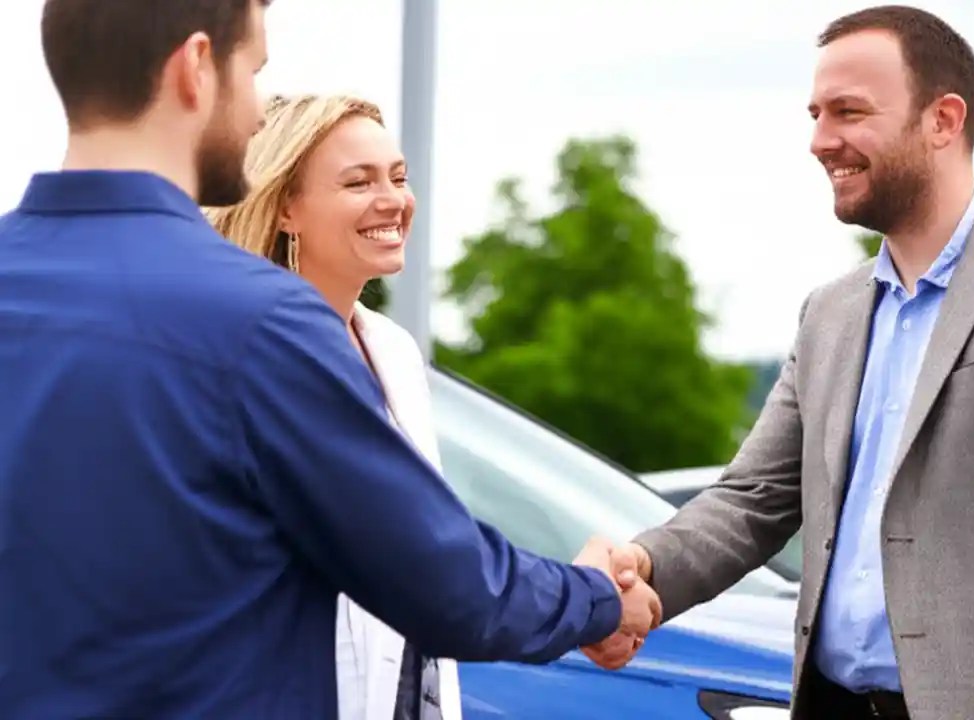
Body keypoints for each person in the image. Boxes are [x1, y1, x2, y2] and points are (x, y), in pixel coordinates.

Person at [0, 1, 659, 717]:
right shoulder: (261, 323)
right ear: (195, 68)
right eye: (253, 70)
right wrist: (592, 594)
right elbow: (446, 584)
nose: (256, 112)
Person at [592, 6, 974, 719]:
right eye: (815, 114)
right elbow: (751, 502)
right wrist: (643, 570)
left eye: (848, 112)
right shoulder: (830, 314)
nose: (819, 141)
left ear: (943, 120)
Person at [206, 93, 460, 720]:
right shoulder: (235, 355)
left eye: (398, 177)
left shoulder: (394, 352)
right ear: (287, 206)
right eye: (358, 181)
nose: (393, 200)